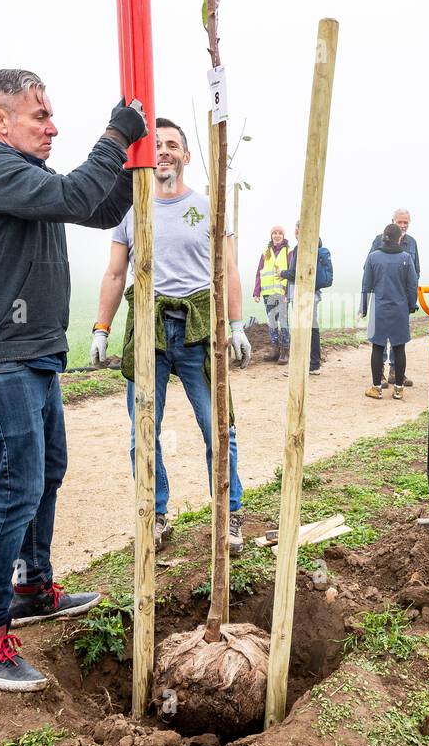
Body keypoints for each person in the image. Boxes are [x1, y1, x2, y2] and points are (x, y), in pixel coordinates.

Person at [0, 69, 147, 693]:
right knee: (18, 484)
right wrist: (117, 134)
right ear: (0, 119)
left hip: (31, 351)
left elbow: (98, 203)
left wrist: (138, 166)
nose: (53, 125)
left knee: (47, 470)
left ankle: (33, 586)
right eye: (40, 116)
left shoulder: (25, 178)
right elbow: (76, 194)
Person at [91, 118, 252, 559]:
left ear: (185, 155)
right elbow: (114, 272)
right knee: (143, 431)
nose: (162, 151)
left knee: (220, 428)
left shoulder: (206, 208)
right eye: (155, 145)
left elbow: (229, 270)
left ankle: (229, 512)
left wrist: (237, 326)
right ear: (144, 155)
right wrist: (101, 329)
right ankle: (155, 513)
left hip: (200, 331)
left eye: (171, 145)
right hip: (149, 332)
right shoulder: (132, 211)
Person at [360, 224, 419, 399]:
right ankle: (399, 389)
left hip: (379, 310)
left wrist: (363, 308)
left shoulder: (373, 257)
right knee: (399, 348)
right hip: (399, 309)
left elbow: (366, 285)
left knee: (377, 348)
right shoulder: (406, 258)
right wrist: (410, 305)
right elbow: (412, 285)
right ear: (399, 238)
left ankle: (376, 388)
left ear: (384, 237)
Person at [284, 220, 325, 376]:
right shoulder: (317, 245)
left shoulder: (302, 247)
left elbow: (296, 273)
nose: (296, 233)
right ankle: (314, 364)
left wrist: (282, 273)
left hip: (302, 293)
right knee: (312, 328)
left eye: (297, 230)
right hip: (313, 294)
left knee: (301, 329)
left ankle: (300, 366)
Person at [252, 225, 291, 364]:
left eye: (280, 233)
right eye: (274, 233)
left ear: (283, 235)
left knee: (283, 322)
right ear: (271, 235)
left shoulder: (289, 251)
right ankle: (275, 350)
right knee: (272, 322)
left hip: (282, 293)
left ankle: (285, 351)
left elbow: (291, 274)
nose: (277, 235)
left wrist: (288, 293)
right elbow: (259, 273)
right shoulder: (266, 252)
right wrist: (256, 292)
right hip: (268, 293)